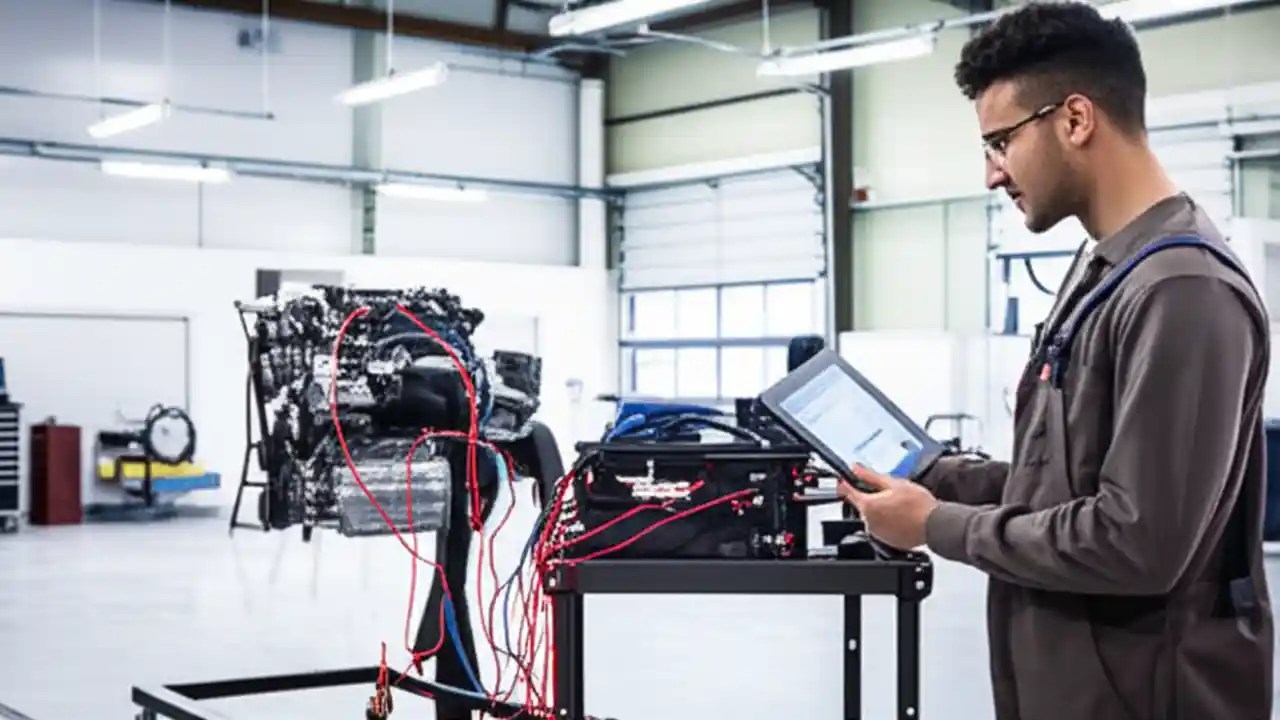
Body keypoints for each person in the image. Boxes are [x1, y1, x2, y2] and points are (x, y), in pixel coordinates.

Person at [836, 3, 1274, 719]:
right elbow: (1071, 483)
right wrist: (940, 476)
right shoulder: (1102, 270)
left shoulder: (1183, 289)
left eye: (1001, 142)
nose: (991, 173)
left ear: (1075, 119)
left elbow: (1136, 542)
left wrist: (936, 524)